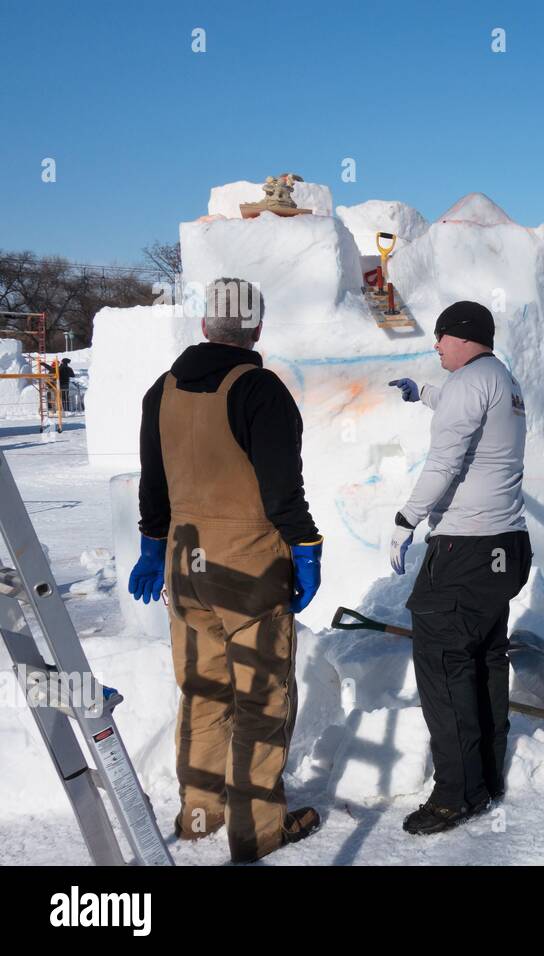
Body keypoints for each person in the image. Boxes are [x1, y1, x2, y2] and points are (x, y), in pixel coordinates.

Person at [128, 277, 322, 863]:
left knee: (203, 691)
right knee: (261, 700)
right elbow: (281, 484)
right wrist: (306, 546)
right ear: (256, 329)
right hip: (248, 569)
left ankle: (199, 812)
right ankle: (258, 831)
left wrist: (149, 544)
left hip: (184, 568)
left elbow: (153, 482)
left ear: (206, 325)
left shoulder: (161, 391)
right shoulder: (259, 389)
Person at [387, 301, 532, 837]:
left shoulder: (472, 381)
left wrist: (406, 518)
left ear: (462, 338)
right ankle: (487, 778)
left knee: (445, 667)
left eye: (441, 338)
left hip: (463, 550)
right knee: (484, 661)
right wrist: (423, 394)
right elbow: (467, 414)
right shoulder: (502, 380)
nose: (436, 346)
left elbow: (445, 461)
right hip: (505, 547)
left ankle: (455, 796)